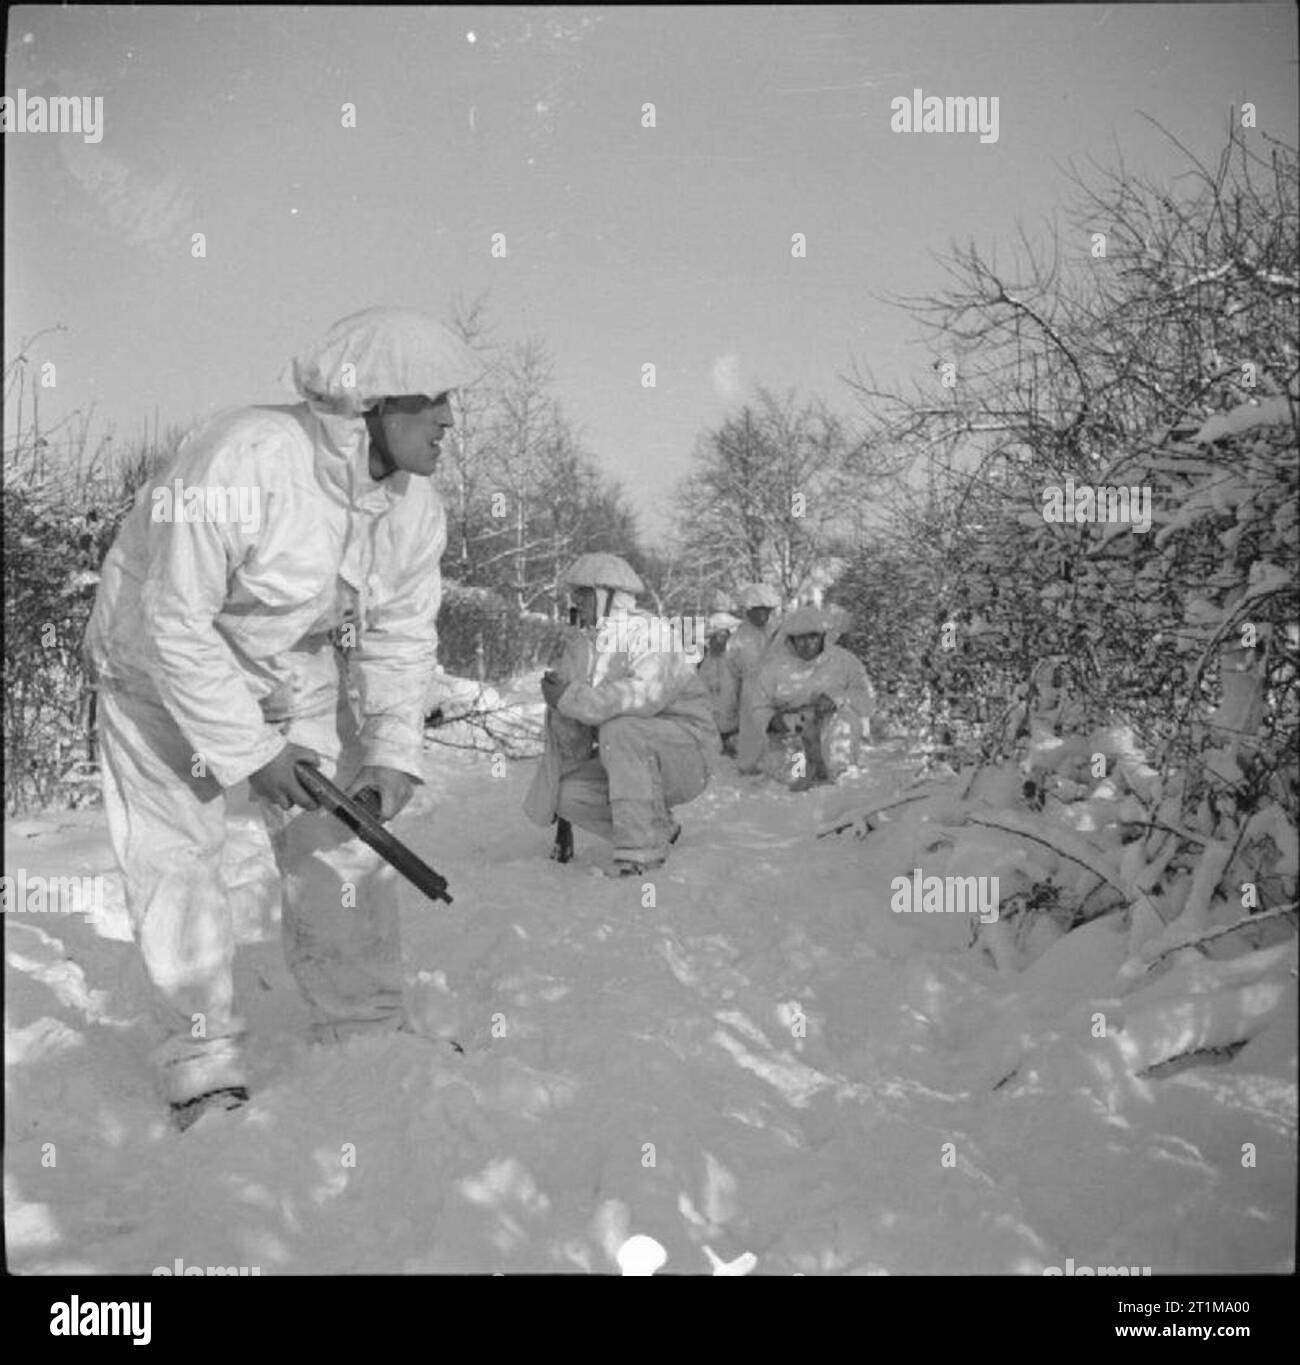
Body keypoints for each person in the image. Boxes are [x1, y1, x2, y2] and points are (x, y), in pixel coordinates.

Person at [82, 306, 484, 1128]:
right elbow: (174, 622)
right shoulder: (244, 459)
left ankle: (364, 1026)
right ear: (369, 407)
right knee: (179, 862)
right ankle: (202, 1063)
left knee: (342, 840)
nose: (449, 419)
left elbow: (402, 633)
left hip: (282, 662)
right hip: (152, 670)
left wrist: (392, 749)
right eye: (430, 399)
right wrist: (250, 751)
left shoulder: (414, 507)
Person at [523, 554, 714, 875]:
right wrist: (559, 706)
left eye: (584, 593)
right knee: (567, 793)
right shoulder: (583, 647)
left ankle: (641, 854)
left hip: (688, 754)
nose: (576, 601)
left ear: (608, 595)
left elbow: (641, 697)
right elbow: (578, 739)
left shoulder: (652, 633)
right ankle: (659, 829)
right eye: (576, 594)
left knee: (620, 730)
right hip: (634, 755)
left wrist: (570, 697)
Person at [736, 604, 877, 790]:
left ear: (824, 636)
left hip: (833, 737)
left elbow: (868, 701)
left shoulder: (845, 662)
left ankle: (842, 776)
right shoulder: (774, 668)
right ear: (791, 640)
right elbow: (758, 706)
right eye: (800, 638)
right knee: (794, 781)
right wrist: (773, 721)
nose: (806, 643)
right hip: (794, 739)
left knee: (842, 719)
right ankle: (800, 778)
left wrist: (836, 698)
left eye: (813, 636)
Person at [717, 583, 783, 758]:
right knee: (753, 757)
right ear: (747, 610)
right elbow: (729, 684)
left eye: (765, 609)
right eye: (756, 609)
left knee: (788, 742)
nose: (762, 614)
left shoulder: (782, 633)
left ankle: (797, 769)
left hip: (782, 693)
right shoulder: (737, 641)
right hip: (751, 698)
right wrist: (727, 724)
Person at [696, 611, 741, 742]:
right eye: (716, 636)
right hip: (705, 727)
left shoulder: (737, 663)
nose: (719, 640)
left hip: (732, 729)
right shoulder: (701, 662)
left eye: (723, 635)